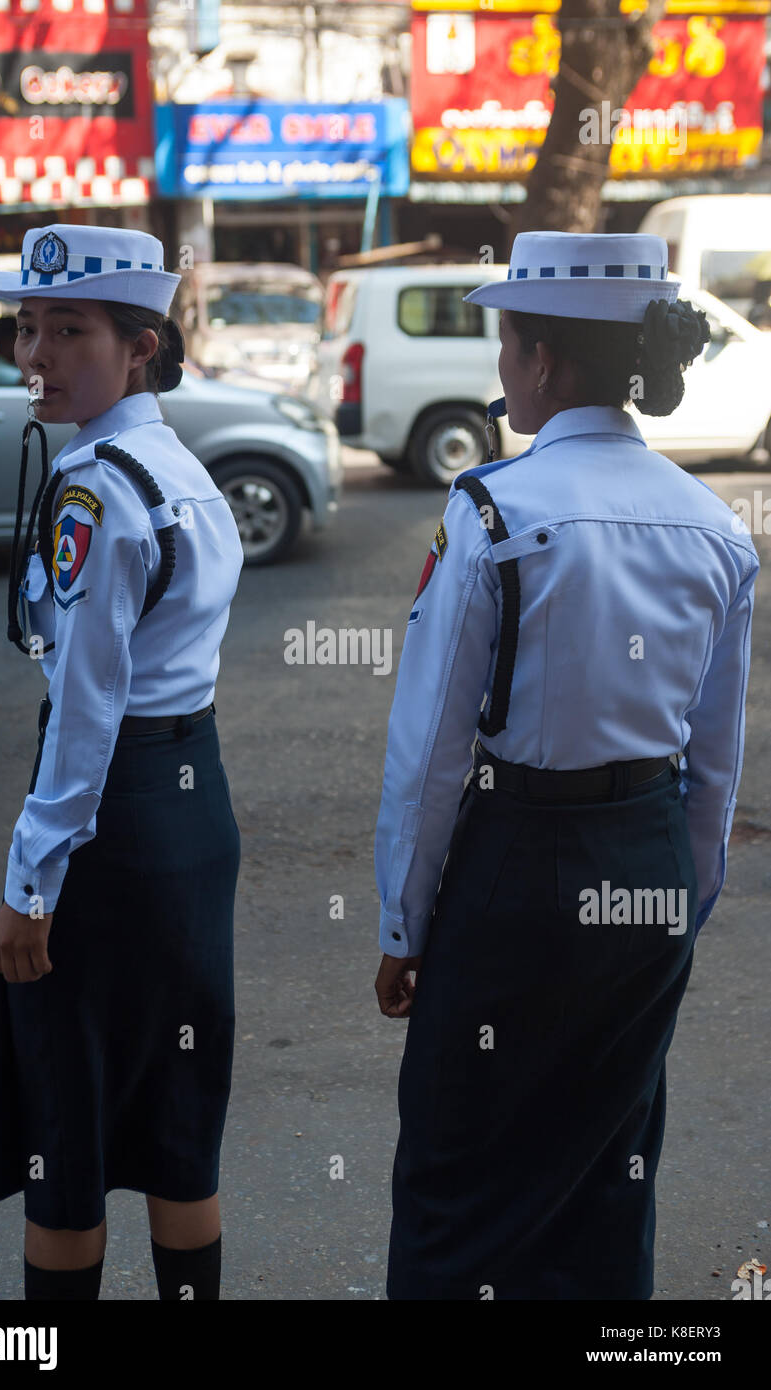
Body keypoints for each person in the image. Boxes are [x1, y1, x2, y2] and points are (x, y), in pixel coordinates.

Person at [373, 230, 760, 1301]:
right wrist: (678, 909)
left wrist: (402, 926)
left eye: (507, 340)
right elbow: (714, 766)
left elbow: (430, 754)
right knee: (607, 1170)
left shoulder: (492, 510)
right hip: (644, 859)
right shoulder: (715, 528)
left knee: (459, 1172)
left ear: (540, 359)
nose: (500, 365)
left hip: (519, 866)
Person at [0, 223, 244, 1301]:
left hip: (109, 822)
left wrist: (29, 887)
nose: (36, 353)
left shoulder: (97, 488)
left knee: (66, 1135)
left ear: (141, 344)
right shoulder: (172, 464)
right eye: (29, 327)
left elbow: (86, 711)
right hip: (189, 810)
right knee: (177, 1119)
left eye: (69, 330)